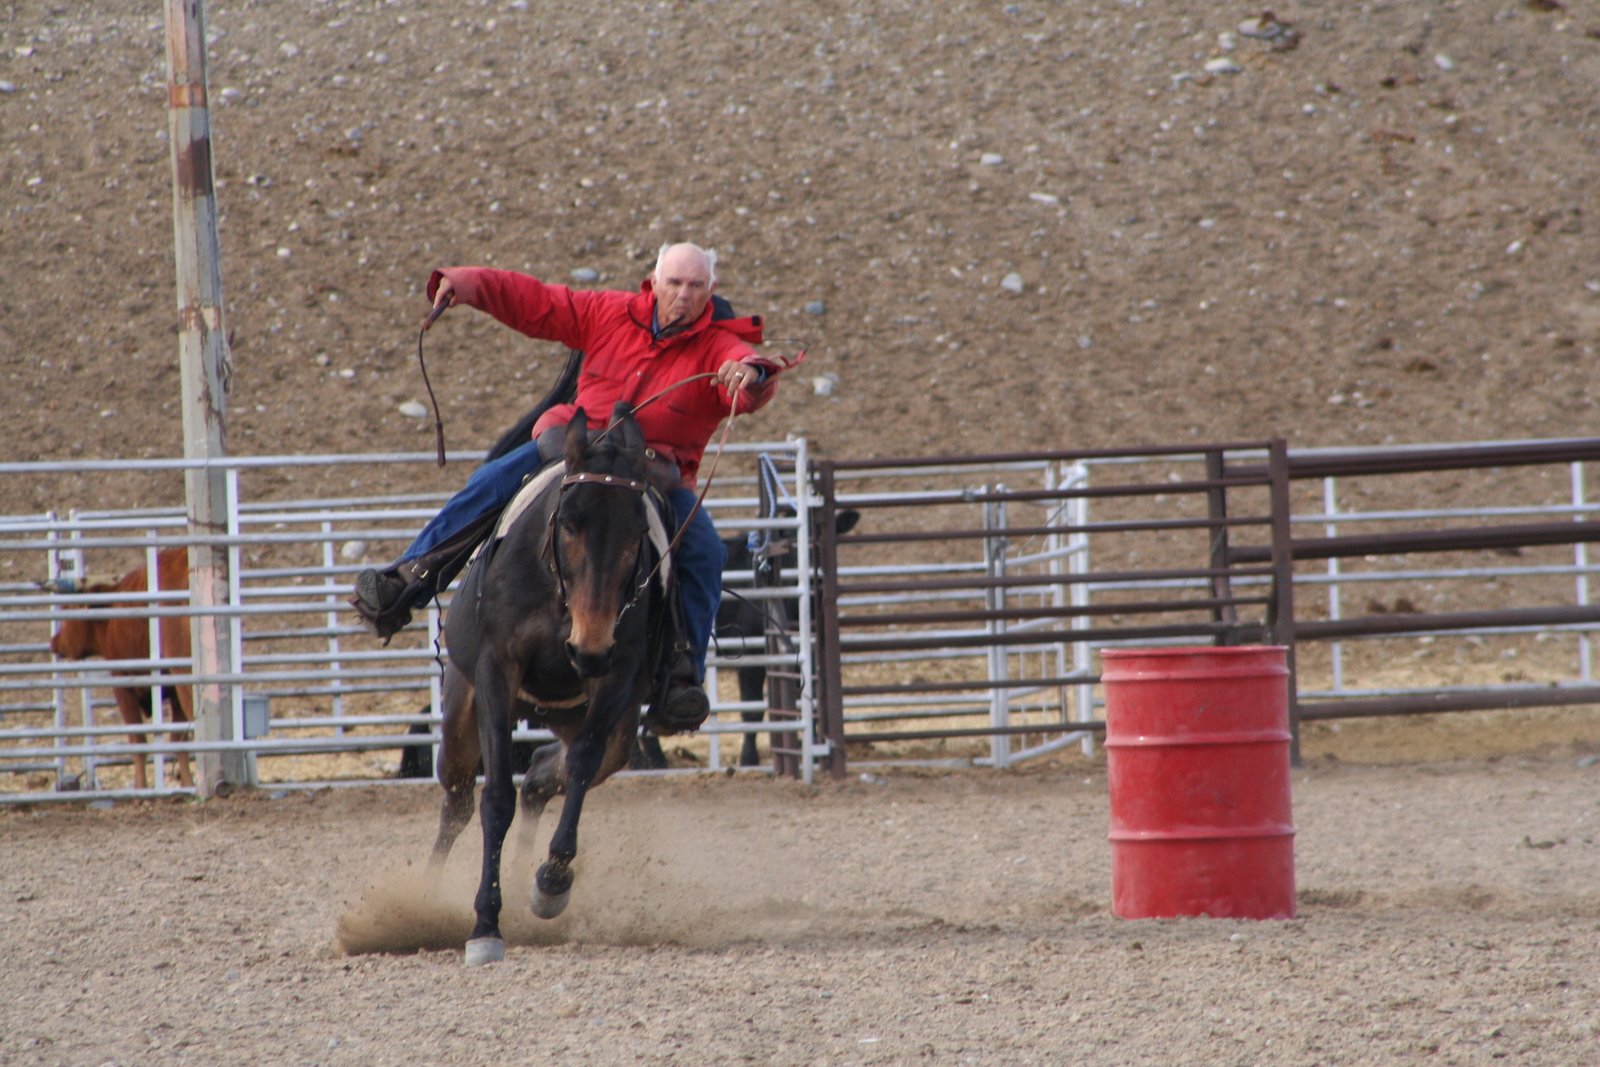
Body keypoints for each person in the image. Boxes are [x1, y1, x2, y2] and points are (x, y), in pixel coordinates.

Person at [352, 242, 786, 731]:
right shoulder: (607, 313)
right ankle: (409, 578)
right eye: (674, 283)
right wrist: (468, 284)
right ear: (654, 281)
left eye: (695, 286)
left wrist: (749, 375)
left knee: (705, 551)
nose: (683, 295)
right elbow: (537, 302)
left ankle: (680, 678)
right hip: (569, 450)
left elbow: (749, 369)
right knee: (487, 485)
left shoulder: (717, 346)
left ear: (712, 290)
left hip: (653, 473)